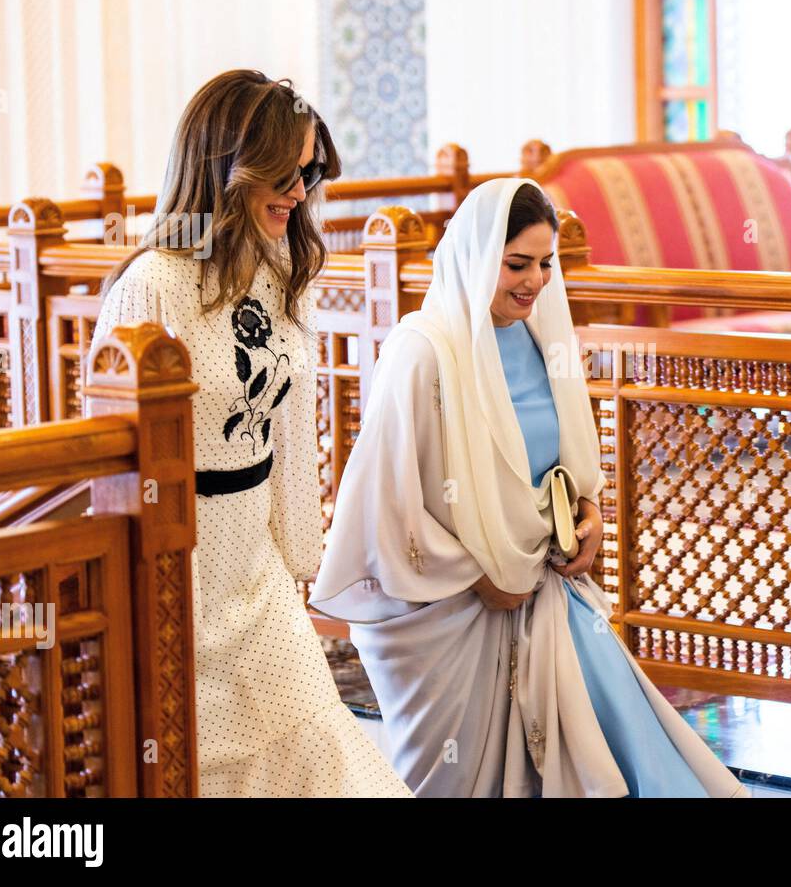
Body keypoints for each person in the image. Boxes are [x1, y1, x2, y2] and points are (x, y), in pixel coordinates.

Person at [311, 177, 747, 798]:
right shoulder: (421, 351)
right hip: (452, 611)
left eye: (546, 264)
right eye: (517, 264)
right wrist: (479, 575)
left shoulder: (545, 340)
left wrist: (589, 516)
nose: (536, 282)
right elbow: (386, 503)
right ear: (475, 257)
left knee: (617, 731)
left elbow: (568, 462)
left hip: (546, 591)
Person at [95, 69, 411, 797]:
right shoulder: (152, 285)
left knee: (322, 747)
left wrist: (302, 558)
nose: (301, 191)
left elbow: (290, 430)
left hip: (256, 568)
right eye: (287, 171)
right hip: (177, 570)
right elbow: (113, 460)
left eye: (309, 172)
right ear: (226, 165)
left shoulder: (273, 272)